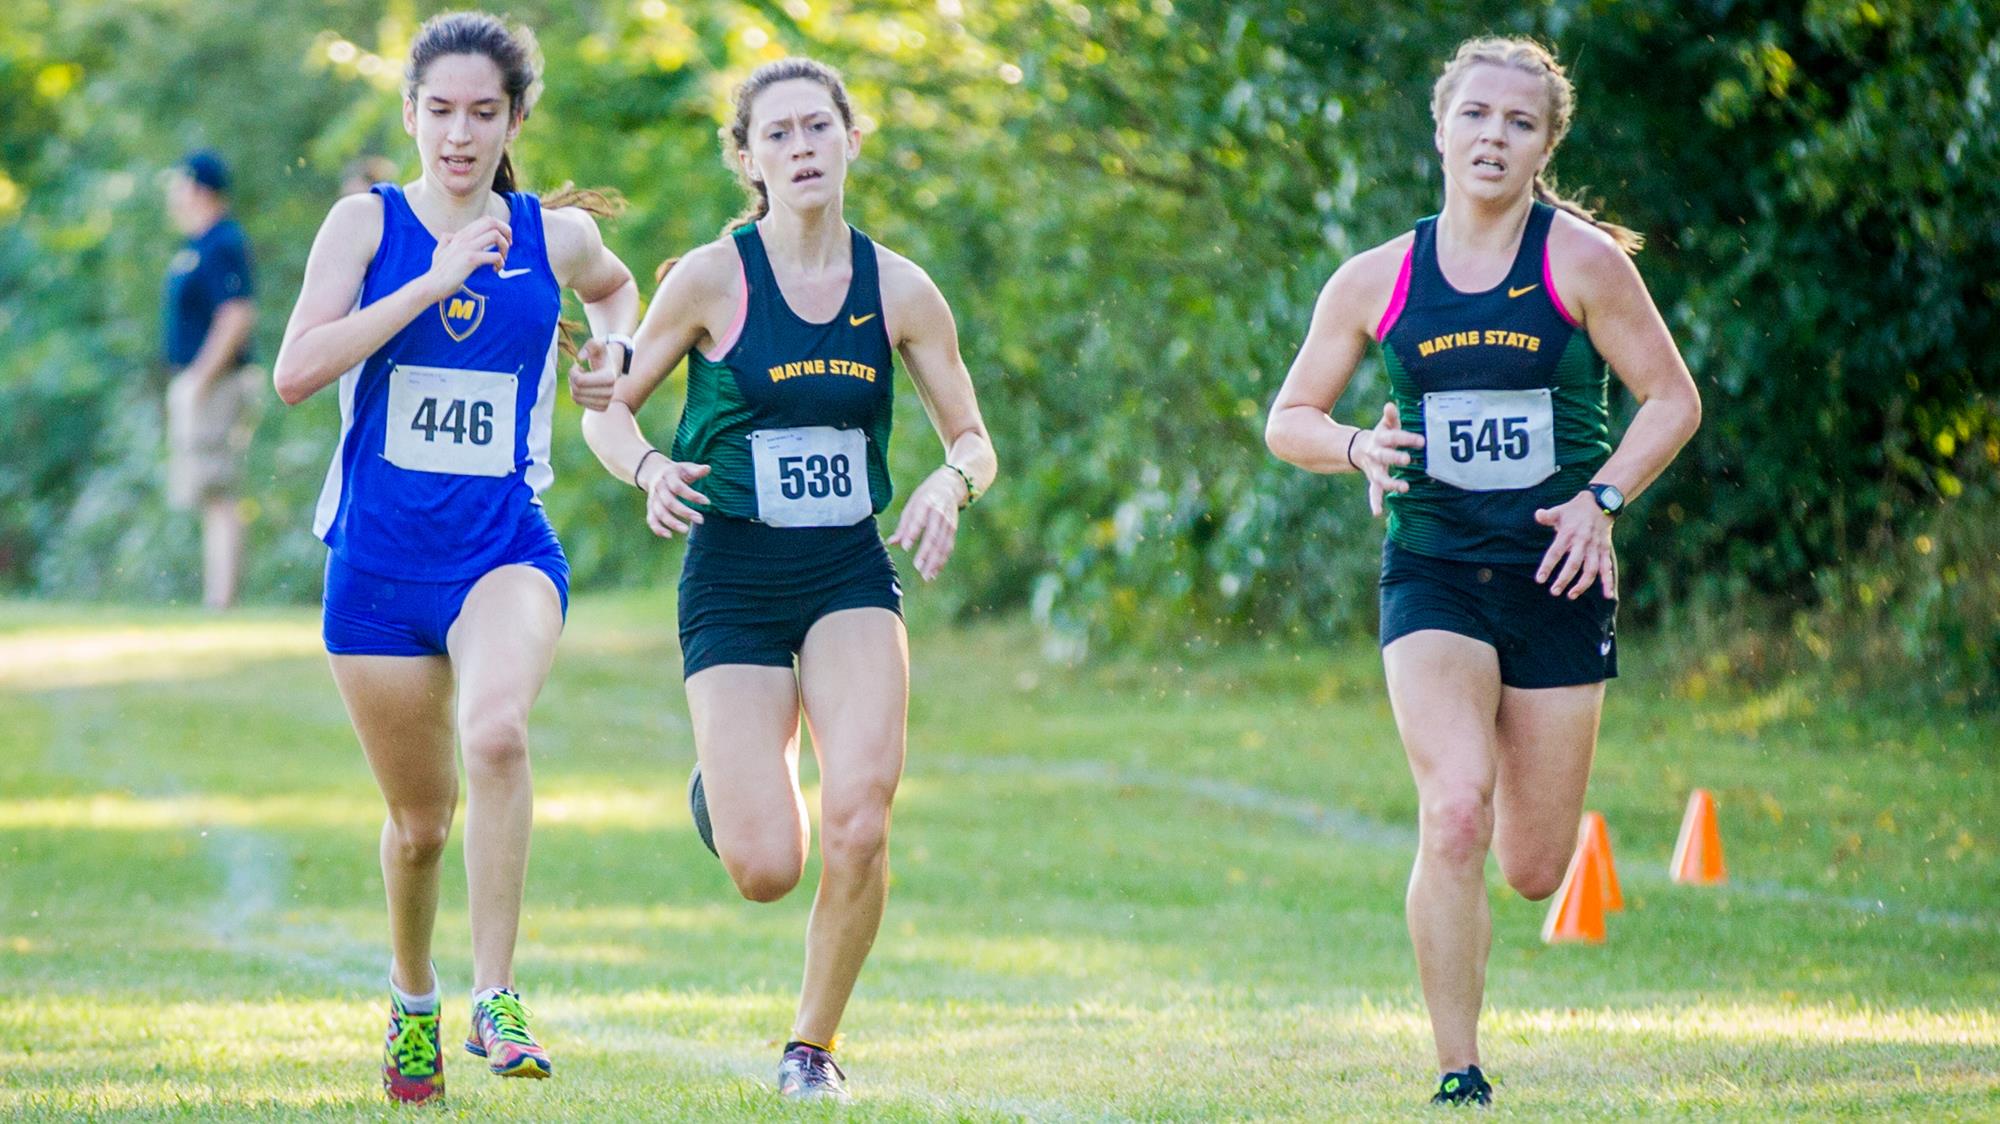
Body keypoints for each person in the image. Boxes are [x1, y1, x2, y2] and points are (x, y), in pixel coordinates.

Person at [1264, 36, 1701, 1107]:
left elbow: (1671, 400)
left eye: (1518, 122)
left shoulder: (1580, 264)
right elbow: (1288, 419)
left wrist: (1601, 501)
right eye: (1474, 115)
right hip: (1434, 571)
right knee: (1455, 808)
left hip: (1556, 575)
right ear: (1440, 128)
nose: (1492, 137)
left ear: (1546, 144)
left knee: (1533, 868)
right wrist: (1357, 448)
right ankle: (1458, 1070)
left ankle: (1500, 880)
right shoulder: (1378, 277)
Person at [580, 57, 997, 1103]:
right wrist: (647, 469)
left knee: (861, 815)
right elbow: (608, 411)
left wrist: (949, 482)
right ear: (748, 158)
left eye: (818, 127)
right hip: (734, 573)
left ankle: (812, 1045)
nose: (802, 148)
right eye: (778, 134)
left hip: (847, 569)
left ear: (851, 139)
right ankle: (727, 789)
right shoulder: (710, 279)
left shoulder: (899, 289)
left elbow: (974, 438)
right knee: (768, 866)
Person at [270, 11, 637, 1105]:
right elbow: (295, 372)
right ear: (410, 114)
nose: (460, 135)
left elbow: (616, 290)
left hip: (501, 550)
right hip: (377, 573)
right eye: (440, 111)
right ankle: (414, 998)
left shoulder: (550, 237)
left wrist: (613, 353)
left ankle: (498, 993)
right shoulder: (364, 224)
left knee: (498, 731)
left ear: (516, 119)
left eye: (484, 113)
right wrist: (429, 283)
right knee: (420, 826)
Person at [162, 149, 261, 610]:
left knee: (219, 488)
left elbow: (236, 314)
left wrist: (200, 379)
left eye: (180, 184)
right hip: (199, 382)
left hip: (218, 383)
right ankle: (214, 596)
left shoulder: (224, 241)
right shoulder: (195, 244)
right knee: (205, 491)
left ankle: (221, 599)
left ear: (200, 188)